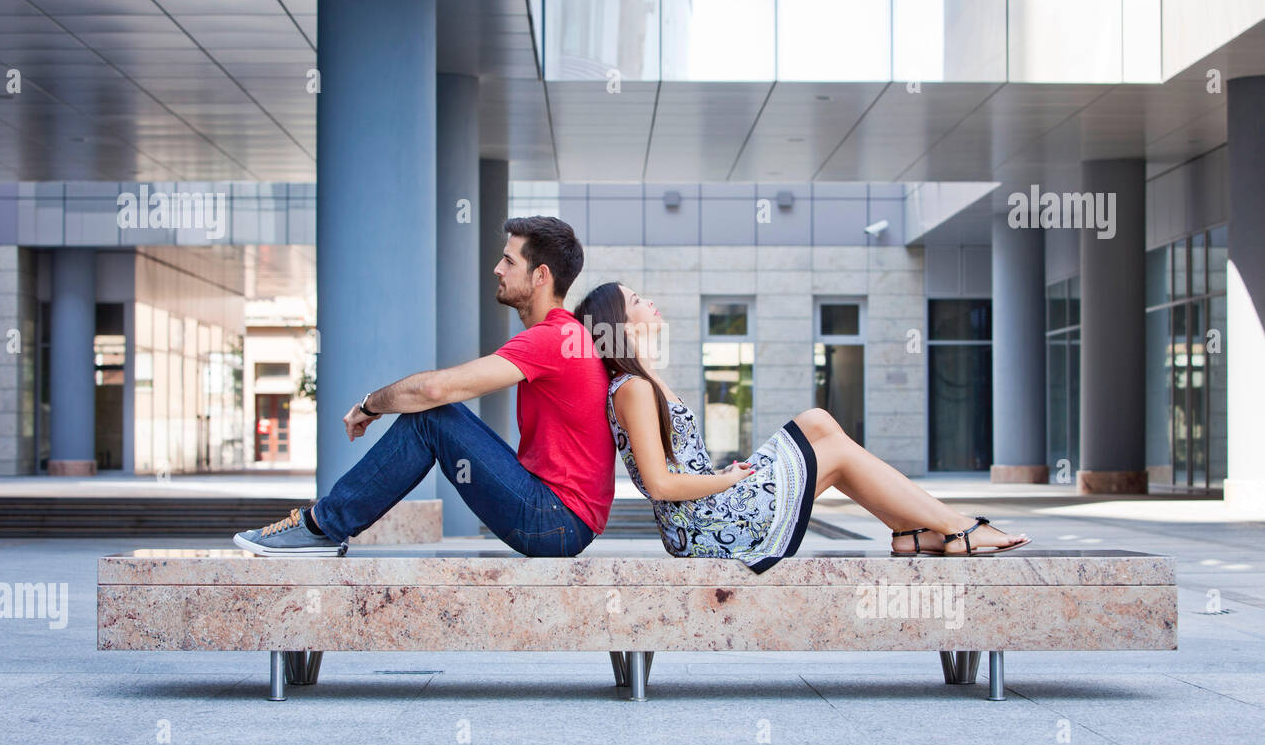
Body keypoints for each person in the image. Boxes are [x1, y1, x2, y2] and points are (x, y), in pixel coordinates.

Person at [573, 280, 1031, 574]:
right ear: (620, 324)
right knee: (837, 455)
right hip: (706, 528)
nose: (649, 300)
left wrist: (724, 478)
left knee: (816, 422)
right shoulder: (631, 387)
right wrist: (727, 479)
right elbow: (657, 483)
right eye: (635, 300)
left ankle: (911, 533)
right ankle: (958, 528)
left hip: (715, 504)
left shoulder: (645, 380)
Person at [234, 217, 615, 558]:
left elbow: (435, 390)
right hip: (560, 519)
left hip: (554, 521)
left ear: (540, 276)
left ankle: (322, 526)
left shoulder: (553, 339)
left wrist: (370, 405)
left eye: (510, 261)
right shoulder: (563, 335)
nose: (497, 268)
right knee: (436, 416)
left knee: (431, 417)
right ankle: (325, 524)